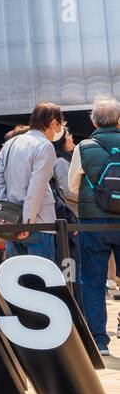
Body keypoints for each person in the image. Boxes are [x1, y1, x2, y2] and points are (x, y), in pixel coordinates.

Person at [68, 95, 120, 355]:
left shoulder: (84, 146)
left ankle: (99, 342)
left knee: (93, 281)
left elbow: (72, 185)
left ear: (93, 120)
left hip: (93, 222)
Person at [0, 102, 67, 262]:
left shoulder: (12, 142)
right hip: (38, 223)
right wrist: (26, 223)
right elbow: (37, 188)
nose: (60, 130)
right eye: (60, 124)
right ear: (54, 123)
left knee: (19, 277)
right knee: (41, 278)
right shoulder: (45, 146)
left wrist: (7, 213)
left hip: (11, 221)